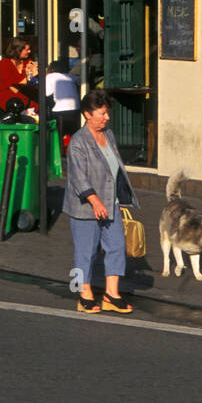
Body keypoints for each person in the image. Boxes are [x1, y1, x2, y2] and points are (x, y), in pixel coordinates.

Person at [64, 90, 136, 313]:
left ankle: (111, 294)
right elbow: (78, 176)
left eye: (107, 113)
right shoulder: (78, 142)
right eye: (102, 113)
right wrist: (95, 201)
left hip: (110, 201)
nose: (107, 118)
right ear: (87, 114)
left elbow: (114, 169)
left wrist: (121, 196)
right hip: (86, 206)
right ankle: (83, 293)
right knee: (85, 251)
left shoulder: (109, 135)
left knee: (116, 246)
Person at [0, 38, 35, 113]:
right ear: (18, 50)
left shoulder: (28, 62)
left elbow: (34, 83)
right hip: (10, 100)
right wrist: (29, 76)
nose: (29, 51)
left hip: (28, 99)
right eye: (27, 50)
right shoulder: (4, 64)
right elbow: (14, 89)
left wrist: (35, 75)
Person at [45, 59, 81, 143]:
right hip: (75, 110)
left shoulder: (50, 77)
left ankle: (59, 149)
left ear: (52, 69)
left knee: (56, 133)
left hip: (59, 111)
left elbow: (47, 94)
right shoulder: (70, 76)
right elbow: (80, 81)